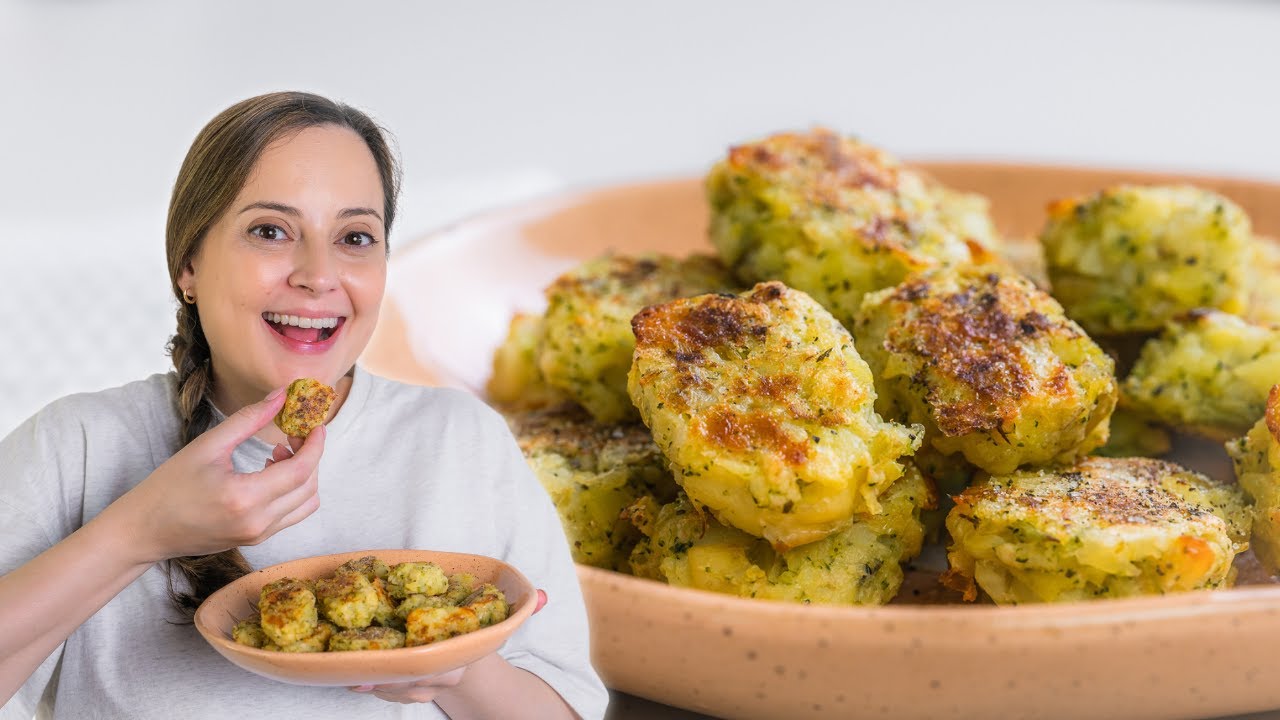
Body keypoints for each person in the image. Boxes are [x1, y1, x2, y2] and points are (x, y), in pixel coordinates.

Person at [0, 91, 608, 720]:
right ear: (187, 263)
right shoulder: (75, 444)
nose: (318, 275)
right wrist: (138, 532)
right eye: (270, 231)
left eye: (354, 236)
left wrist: (453, 662)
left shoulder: (461, 439)